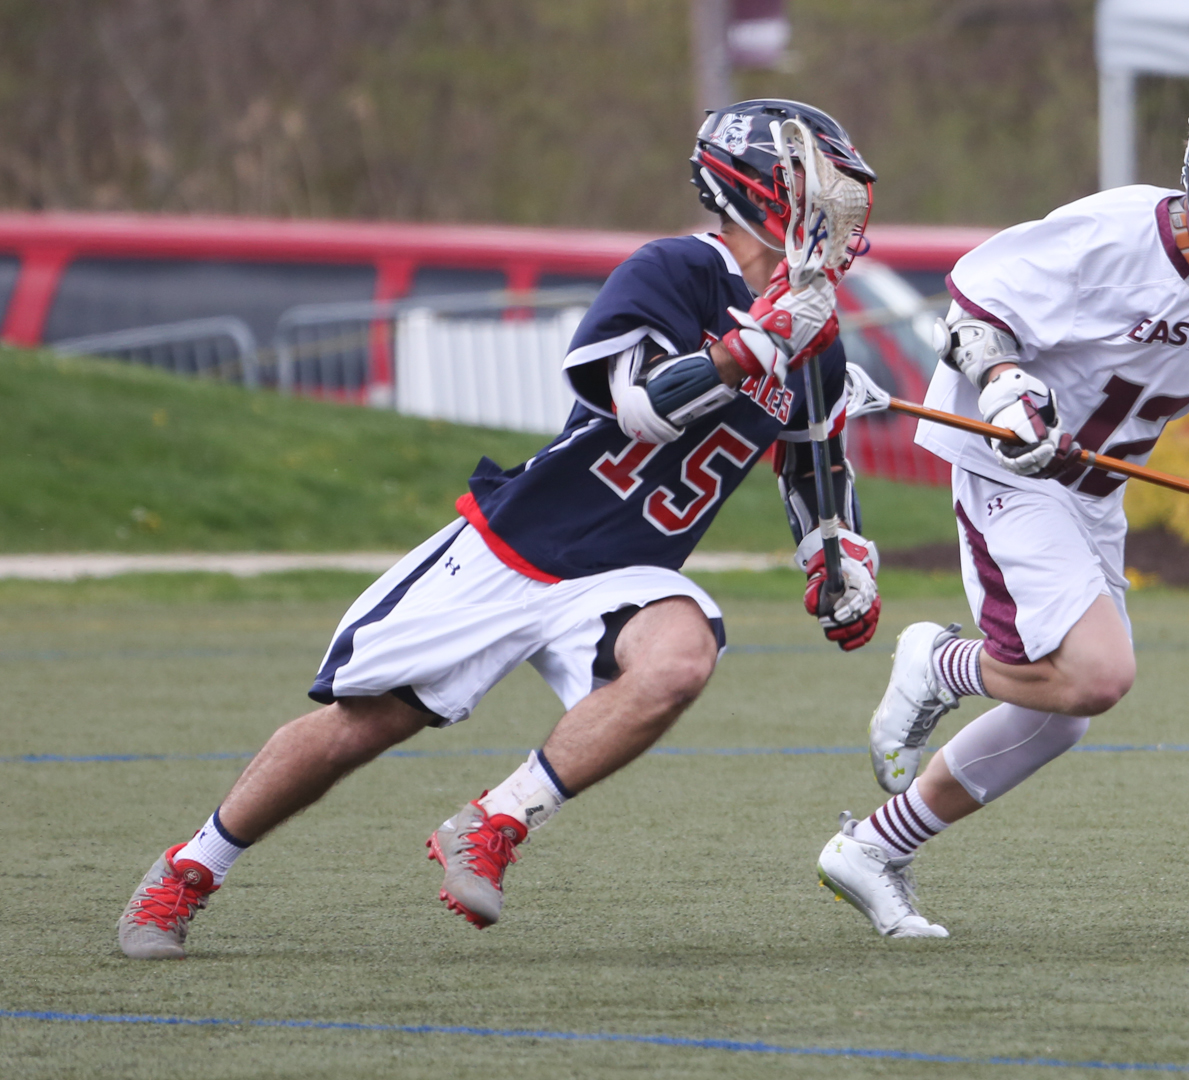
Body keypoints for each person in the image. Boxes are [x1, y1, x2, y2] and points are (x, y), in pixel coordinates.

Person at [117, 99, 886, 959]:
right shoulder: (676, 269)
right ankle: (190, 869)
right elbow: (636, 406)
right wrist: (751, 346)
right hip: (520, 544)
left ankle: (495, 821)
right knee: (363, 725)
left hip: (625, 570)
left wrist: (837, 557)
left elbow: (813, 461)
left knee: (680, 659)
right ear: (756, 186)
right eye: (816, 189)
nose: (835, 215)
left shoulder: (816, 342)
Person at [814, 71, 1189, 938]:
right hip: (1010, 463)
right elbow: (971, 309)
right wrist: (1004, 385)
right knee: (1099, 675)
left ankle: (874, 848)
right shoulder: (1114, 232)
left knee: (1059, 716)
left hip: (1096, 492)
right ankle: (940, 663)